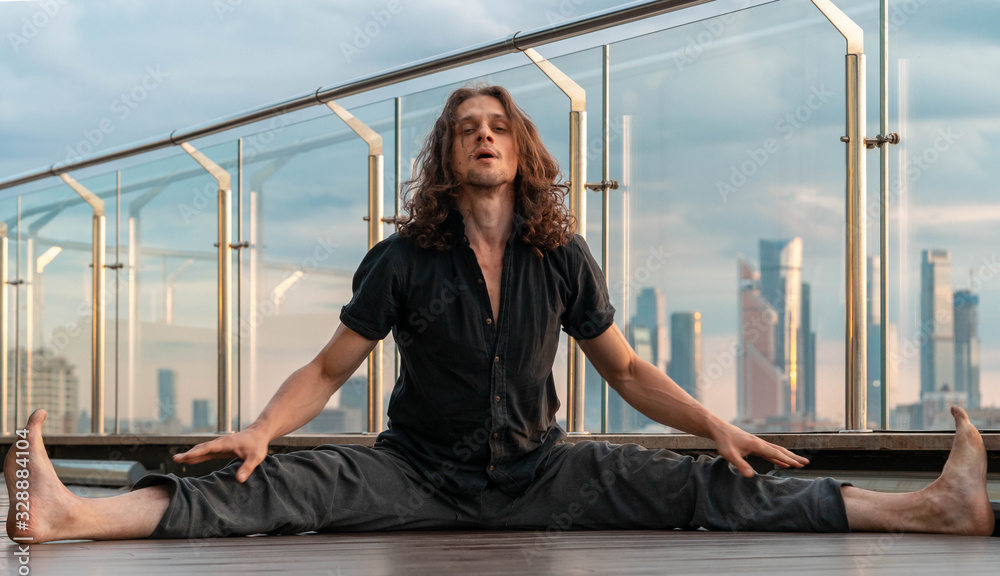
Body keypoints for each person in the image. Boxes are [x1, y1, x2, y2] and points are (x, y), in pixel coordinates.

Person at [4, 85, 994, 544]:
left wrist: (718, 426)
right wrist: (264, 429)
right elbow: (327, 370)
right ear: (448, 158)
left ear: (519, 152)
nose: (481, 138)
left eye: (496, 127)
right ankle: (72, 513)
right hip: (411, 471)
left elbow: (629, 373)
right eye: (464, 130)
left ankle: (928, 508)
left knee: (703, 489)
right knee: (279, 489)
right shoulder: (400, 260)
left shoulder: (558, 255)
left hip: (541, 471)